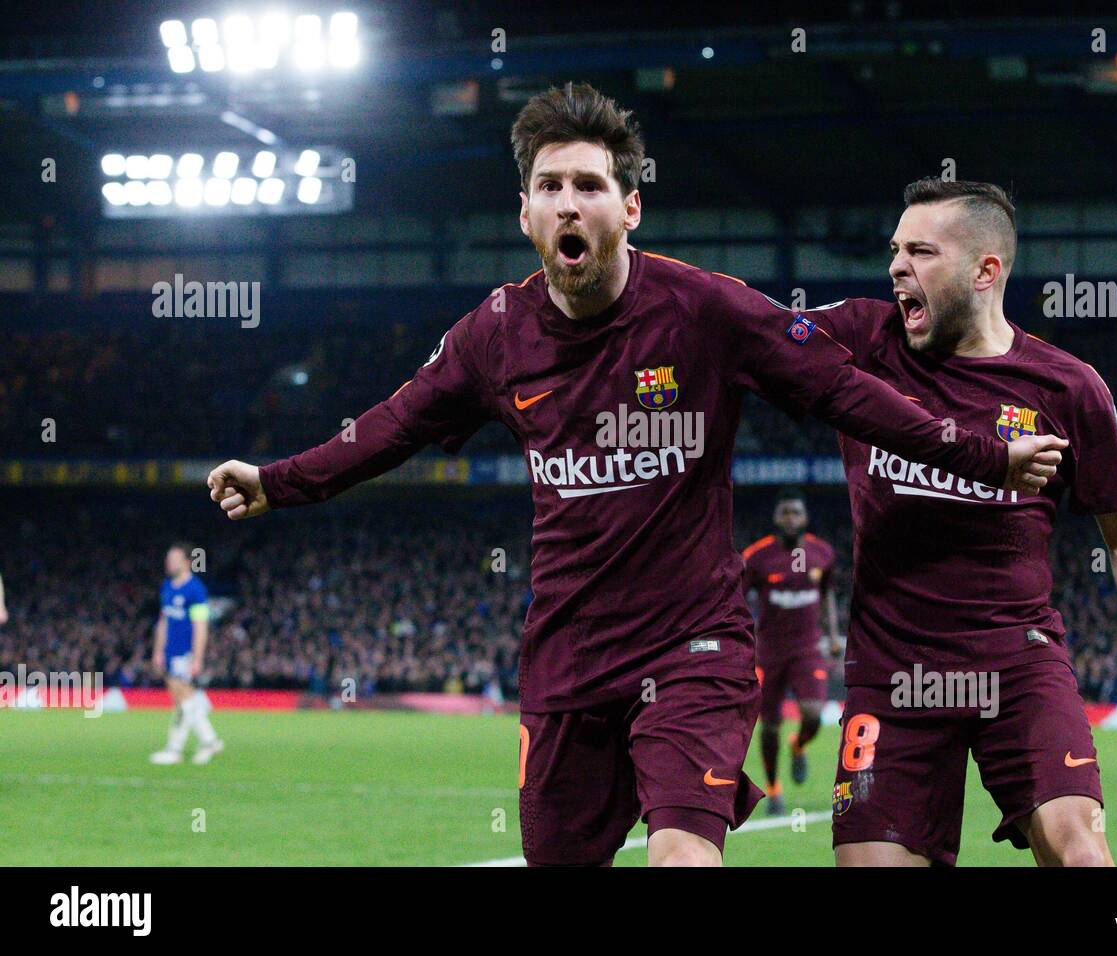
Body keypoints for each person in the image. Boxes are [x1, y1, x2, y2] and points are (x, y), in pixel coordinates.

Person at [206, 85, 1064, 867]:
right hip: (567, 662)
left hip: (693, 648)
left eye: (588, 185)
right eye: (550, 187)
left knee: (683, 857)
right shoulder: (494, 335)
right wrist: (281, 481)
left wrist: (984, 452)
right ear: (525, 214)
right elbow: (391, 427)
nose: (568, 203)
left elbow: (846, 392)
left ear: (630, 207)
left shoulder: (706, 309)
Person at [812, 179, 1117, 866]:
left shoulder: (1067, 386)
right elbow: (748, 331)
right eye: (895, 250)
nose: (897, 266)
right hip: (891, 673)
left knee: (1078, 850)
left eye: (922, 251)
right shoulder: (863, 340)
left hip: (1017, 663)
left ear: (986, 270)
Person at [741, 489, 839, 815]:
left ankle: (798, 746)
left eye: (795, 513)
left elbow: (826, 594)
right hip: (769, 651)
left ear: (805, 517)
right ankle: (774, 790)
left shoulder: (822, 553)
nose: (790, 519)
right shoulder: (756, 557)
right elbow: (738, 600)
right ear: (775, 518)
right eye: (784, 513)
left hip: (808, 647)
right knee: (769, 726)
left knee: (812, 715)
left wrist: (834, 634)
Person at [149, 543, 223, 765]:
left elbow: (201, 625)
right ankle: (205, 742)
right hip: (170, 652)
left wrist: (197, 658)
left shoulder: (195, 589)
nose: (169, 562)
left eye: (174, 558)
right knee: (182, 699)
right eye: (168, 558)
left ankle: (181, 748)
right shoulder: (167, 587)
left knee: (183, 697)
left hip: (185, 653)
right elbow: (164, 621)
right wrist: (158, 651)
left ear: (187, 562)